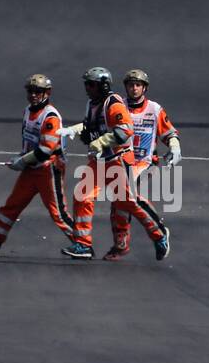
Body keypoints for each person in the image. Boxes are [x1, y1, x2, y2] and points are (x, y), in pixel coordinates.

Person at [60, 67, 168, 261]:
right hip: (99, 161)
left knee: (127, 202)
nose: (87, 88)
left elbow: (125, 130)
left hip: (117, 160)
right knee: (82, 196)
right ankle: (83, 244)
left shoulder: (114, 103)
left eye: (91, 84)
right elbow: (89, 126)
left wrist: (101, 141)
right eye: (86, 84)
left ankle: (159, 234)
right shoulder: (91, 104)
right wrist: (77, 132)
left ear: (103, 85)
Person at [0, 74, 75, 258]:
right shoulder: (28, 111)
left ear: (46, 93)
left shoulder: (50, 117)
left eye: (38, 92)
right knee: (11, 206)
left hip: (48, 169)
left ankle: (83, 244)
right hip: (31, 168)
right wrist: (20, 156)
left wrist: (22, 161)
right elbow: (29, 141)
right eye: (30, 91)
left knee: (58, 212)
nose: (33, 95)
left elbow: (46, 149)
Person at [113, 69, 179, 260]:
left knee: (127, 194)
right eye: (131, 85)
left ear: (144, 88)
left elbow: (169, 133)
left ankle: (159, 233)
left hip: (144, 162)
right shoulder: (119, 107)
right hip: (120, 161)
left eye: (138, 85)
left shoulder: (154, 109)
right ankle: (121, 242)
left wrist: (175, 148)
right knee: (119, 200)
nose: (134, 89)